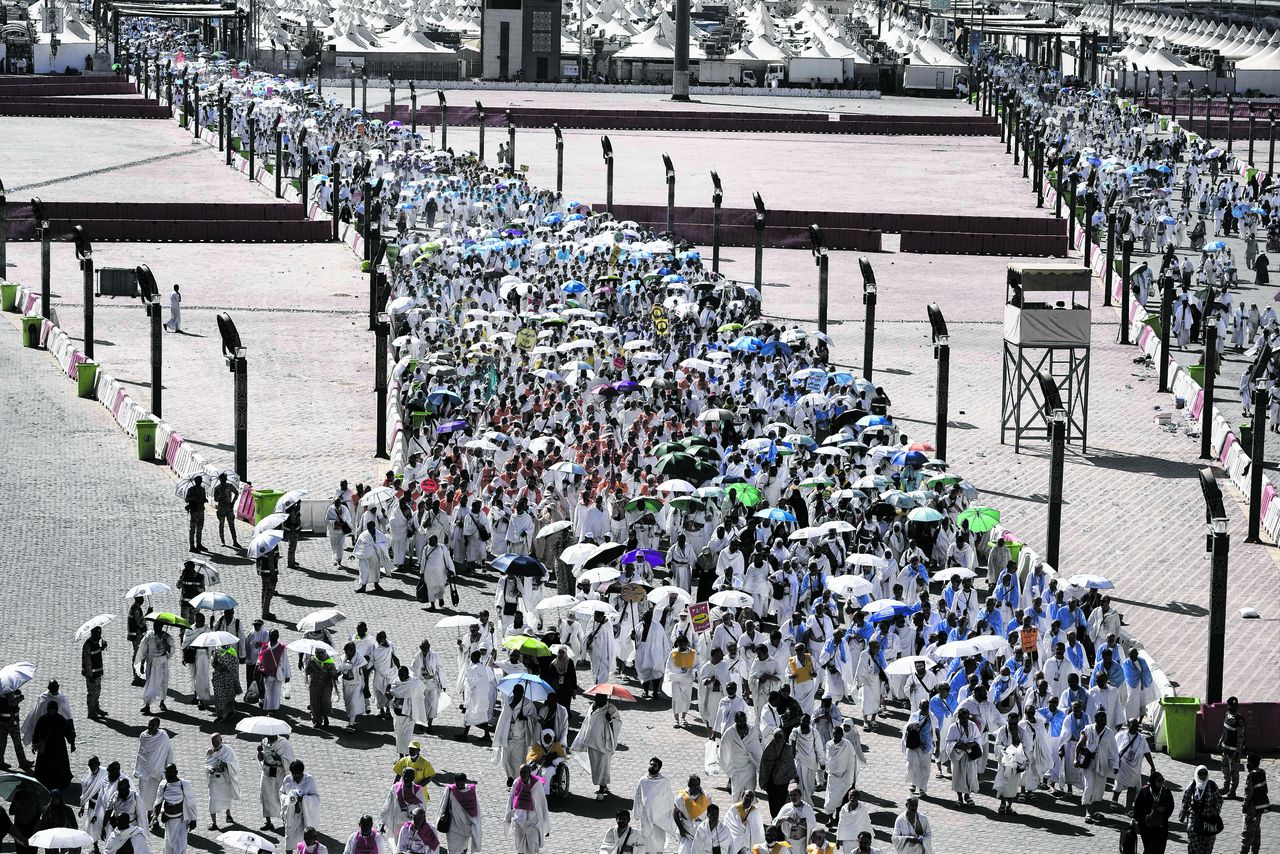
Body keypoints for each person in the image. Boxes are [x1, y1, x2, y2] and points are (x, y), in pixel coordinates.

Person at [573, 693, 622, 799]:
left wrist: (610, 720)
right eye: (596, 697)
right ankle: (603, 785)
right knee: (596, 766)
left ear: (605, 698)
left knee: (603, 766)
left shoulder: (612, 709)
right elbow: (587, 722)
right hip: (591, 741)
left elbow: (617, 724)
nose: (597, 699)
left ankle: (601, 789)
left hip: (604, 743)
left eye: (600, 698)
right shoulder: (592, 706)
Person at [1079, 709, 1119, 823]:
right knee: (1089, 787)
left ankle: (1093, 811)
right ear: (1095, 719)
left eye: (1104, 719)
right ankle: (1087, 813)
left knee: (1099, 789)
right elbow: (1080, 745)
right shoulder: (1088, 729)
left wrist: (1115, 765)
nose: (1102, 721)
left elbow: (1113, 751)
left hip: (1102, 764)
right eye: (1100, 719)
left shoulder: (1109, 732)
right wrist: (1076, 759)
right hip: (1089, 764)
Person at [632, 757, 677, 854]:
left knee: (658, 843)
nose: (652, 767)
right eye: (651, 764)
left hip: (660, 818)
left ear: (659, 769)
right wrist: (637, 813)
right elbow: (638, 797)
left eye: (655, 765)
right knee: (646, 844)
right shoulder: (643, 780)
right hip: (645, 817)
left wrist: (667, 815)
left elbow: (668, 800)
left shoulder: (664, 782)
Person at [150, 764, 196, 854]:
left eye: (170, 773)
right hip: (169, 820)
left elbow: (191, 803)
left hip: (182, 820)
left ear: (176, 773)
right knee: (169, 844)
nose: (168, 775)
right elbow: (158, 802)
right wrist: (155, 817)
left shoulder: (184, 784)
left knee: (181, 844)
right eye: (166, 773)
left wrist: (193, 819)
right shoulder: (163, 785)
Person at [30, 700, 74, 792]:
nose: (50, 710)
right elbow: (37, 732)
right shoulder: (43, 719)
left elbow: (67, 732)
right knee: (45, 766)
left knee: (58, 766)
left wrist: (72, 743)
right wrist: (34, 743)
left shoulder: (60, 719)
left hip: (58, 748)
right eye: (49, 709)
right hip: (46, 748)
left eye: (52, 709)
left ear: (56, 709)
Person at [505, 764, 551, 854]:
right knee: (520, 848)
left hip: (533, 822)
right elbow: (511, 800)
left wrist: (546, 825)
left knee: (532, 848)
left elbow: (542, 804)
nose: (522, 774)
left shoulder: (536, 785)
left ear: (529, 772)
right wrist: (508, 817)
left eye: (524, 772)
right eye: (521, 772)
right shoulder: (516, 783)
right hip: (519, 821)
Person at [1113, 718, 1155, 811]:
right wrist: (1114, 763)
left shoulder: (1141, 738)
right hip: (1122, 766)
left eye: (1137, 725)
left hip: (1135, 767)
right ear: (1128, 725)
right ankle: (1114, 800)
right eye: (1133, 725)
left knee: (1133, 785)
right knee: (1118, 784)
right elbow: (1113, 750)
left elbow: (1147, 752)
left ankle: (1128, 806)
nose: (1135, 727)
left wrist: (1152, 766)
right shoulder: (1120, 735)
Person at [1179, 765, 1224, 854]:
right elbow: (1185, 800)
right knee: (1193, 842)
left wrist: (1215, 812)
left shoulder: (1212, 785)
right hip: (1194, 819)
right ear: (1196, 774)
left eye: (1205, 774)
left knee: (1207, 844)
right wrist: (1182, 815)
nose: (1203, 776)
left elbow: (1219, 800)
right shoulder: (1192, 786)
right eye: (1200, 774)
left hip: (1208, 820)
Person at [279, 760, 320, 853]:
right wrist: (289, 798)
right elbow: (281, 793)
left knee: (302, 843)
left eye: (298, 775)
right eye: (294, 775)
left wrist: (304, 799)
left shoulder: (309, 780)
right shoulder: (287, 779)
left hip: (303, 817)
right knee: (289, 840)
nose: (296, 777)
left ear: (302, 772)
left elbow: (316, 798)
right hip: (291, 817)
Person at [437, 772, 482, 854]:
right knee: (452, 849)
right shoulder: (450, 790)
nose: (459, 787)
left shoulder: (471, 792)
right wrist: (442, 815)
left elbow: (475, 809)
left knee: (463, 847)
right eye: (457, 784)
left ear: (465, 782)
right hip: (452, 825)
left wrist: (475, 824)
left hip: (465, 826)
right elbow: (443, 804)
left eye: (461, 784)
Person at [257, 733, 294, 832]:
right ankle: (268, 822)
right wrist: (259, 752)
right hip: (267, 772)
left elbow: (290, 760)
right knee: (266, 796)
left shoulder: (283, 743)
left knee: (281, 797)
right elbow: (261, 759)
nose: (268, 736)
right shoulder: (264, 742)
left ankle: (285, 820)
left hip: (279, 773)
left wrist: (279, 758)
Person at [134, 718, 172, 811]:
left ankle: (152, 817)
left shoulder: (163, 736)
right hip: (144, 771)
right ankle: (142, 816)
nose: (150, 727)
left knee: (156, 796)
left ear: (158, 726)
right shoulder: (143, 736)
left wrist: (169, 769)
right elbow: (140, 753)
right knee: (142, 795)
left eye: (153, 725)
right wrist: (138, 768)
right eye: (149, 724)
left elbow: (168, 752)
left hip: (158, 771)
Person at [135, 624, 173, 715]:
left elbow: (171, 650)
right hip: (151, 663)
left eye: (158, 625)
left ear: (162, 626)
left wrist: (165, 644)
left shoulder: (166, 637)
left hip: (162, 663)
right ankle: (147, 705)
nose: (156, 627)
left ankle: (162, 702)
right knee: (149, 683)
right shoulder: (148, 635)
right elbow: (144, 650)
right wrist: (142, 663)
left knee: (163, 683)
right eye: (155, 624)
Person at [1134, 770, 1174, 854]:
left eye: (1162, 780)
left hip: (1161, 825)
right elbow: (1138, 806)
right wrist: (1136, 818)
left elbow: (1171, 806)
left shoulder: (1166, 792)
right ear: (1153, 781)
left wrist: (1163, 811)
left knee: (1160, 848)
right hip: (1146, 825)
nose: (1161, 782)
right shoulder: (1145, 791)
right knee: (1148, 847)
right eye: (1158, 780)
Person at [204, 733, 239, 830]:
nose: (215, 743)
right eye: (213, 742)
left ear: (221, 740)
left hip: (224, 779)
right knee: (212, 801)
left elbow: (234, 764)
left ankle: (228, 814)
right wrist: (209, 769)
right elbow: (206, 764)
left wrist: (225, 764)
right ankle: (214, 823)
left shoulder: (227, 750)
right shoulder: (209, 751)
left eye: (217, 741)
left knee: (227, 798)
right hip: (214, 780)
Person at [759, 727, 796, 816]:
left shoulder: (787, 748)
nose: (778, 739)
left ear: (783, 737)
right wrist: (763, 781)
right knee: (772, 800)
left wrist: (794, 775)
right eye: (776, 737)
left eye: (780, 736)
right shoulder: (769, 747)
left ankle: (780, 817)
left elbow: (790, 763)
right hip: (771, 779)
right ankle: (774, 818)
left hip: (783, 780)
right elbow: (763, 764)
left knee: (781, 800)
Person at [381, 768, 426, 838]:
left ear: (413, 778)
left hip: (412, 823)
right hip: (397, 823)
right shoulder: (395, 788)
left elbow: (423, 808)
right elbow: (388, 805)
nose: (406, 778)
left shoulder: (418, 791)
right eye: (405, 776)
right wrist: (383, 823)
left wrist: (421, 823)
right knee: (398, 847)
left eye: (409, 776)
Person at [672, 775, 709, 854]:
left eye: (696, 785)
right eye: (691, 785)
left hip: (701, 831)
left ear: (699, 784)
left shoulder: (706, 796)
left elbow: (710, 813)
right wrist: (681, 828)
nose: (694, 788)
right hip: (687, 830)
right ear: (688, 785)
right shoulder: (681, 797)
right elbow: (675, 813)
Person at [1240, 753, 1268, 854]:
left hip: (1251, 808)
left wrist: (1244, 806)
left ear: (1251, 763)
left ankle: (1244, 851)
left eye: (1248, 762)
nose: (1247, 764)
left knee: (1247, 832)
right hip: (1260, 807)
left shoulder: (1251, 775)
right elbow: (1265, 789)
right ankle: (1255, 851)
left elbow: (1248, 793)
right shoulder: (1262, 772)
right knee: (1256, 830)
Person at [258, 630, 291, 714]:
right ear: (269, 636)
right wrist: (259, 667)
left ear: (278, 636)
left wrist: (287, 675)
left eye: (275, 635)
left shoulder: (282, 648)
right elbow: (260, 659)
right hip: (267, 673)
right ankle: (269, 709)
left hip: (278, 673)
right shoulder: (264, 647)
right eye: (271, 635)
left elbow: (285, 661)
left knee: (276, 692)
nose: (273, 637)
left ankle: (274, 708)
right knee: (268, 691)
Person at [1218, 696, 1245, 799]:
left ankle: (1232, 791)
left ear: (1236, 706)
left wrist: (1238, 751)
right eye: (1229, 705)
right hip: (1225, 749)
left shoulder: (1239, 720)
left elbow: (1240, 737)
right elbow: (1225, 730)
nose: (1230, 707)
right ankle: (1226, 787)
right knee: (1225, 769)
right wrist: (1220, 740)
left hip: (1233, 752)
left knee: (1234, 772)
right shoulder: (1227, 715)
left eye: (1232, 706)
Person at [82, 626, 108, 718]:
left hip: (97, 672)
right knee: (91, 693)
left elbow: (96, 653)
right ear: (93, 634)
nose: (99, 635)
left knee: (97, 691)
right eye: (97, 634)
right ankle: (91, 711)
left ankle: (96, 708)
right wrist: (90, 675)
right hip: (91, 674)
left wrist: (102, 647)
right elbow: (87, 660)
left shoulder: (96, 642)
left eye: (100, 634)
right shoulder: (88, 645)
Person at [213, 473, 241, 549]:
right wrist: (220, 495)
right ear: (220, 479)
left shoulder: (229, 486)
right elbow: (215, 499)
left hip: (229, 507)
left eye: (224, 478)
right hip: (221, 508)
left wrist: (233, 502)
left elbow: (236, 493)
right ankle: (222, 540)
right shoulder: (217, 488)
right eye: (222, 478)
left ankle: (235, 541)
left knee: (232, 525)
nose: (223, 480)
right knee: (221, 524)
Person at [185, 475, 206, 552]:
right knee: (193, 529)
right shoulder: (191, 490)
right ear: (195, 481)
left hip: (201, 511)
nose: (199, 482)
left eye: (200, 480)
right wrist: (193, 498)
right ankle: (192, 546)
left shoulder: (203, 489)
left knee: (200, 528)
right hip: (194, 512)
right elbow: (187, 499)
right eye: (198, 481)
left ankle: (199, 544)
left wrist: (204, 500)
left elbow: (203, 498)